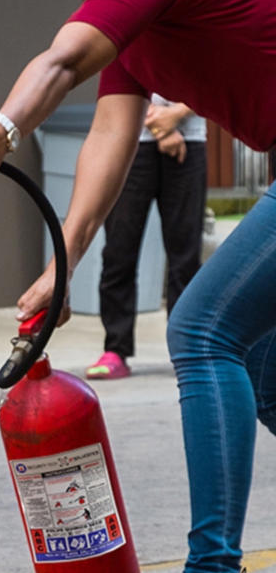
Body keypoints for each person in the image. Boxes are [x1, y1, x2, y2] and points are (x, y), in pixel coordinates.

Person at [0, 0, 276, 573]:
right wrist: (63, 266)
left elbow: (62, 63)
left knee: (204, 330)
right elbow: (109, 136)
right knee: (261, 364)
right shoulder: (130, 21)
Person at [85, 96, 207, 380]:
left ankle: (186, 351)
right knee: (118, 251)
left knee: (186, 257)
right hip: (130, 143)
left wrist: (177, 113)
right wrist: (159, 125)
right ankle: (115, 349)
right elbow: (125, 69)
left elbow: (214, 75)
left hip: (191, 141)